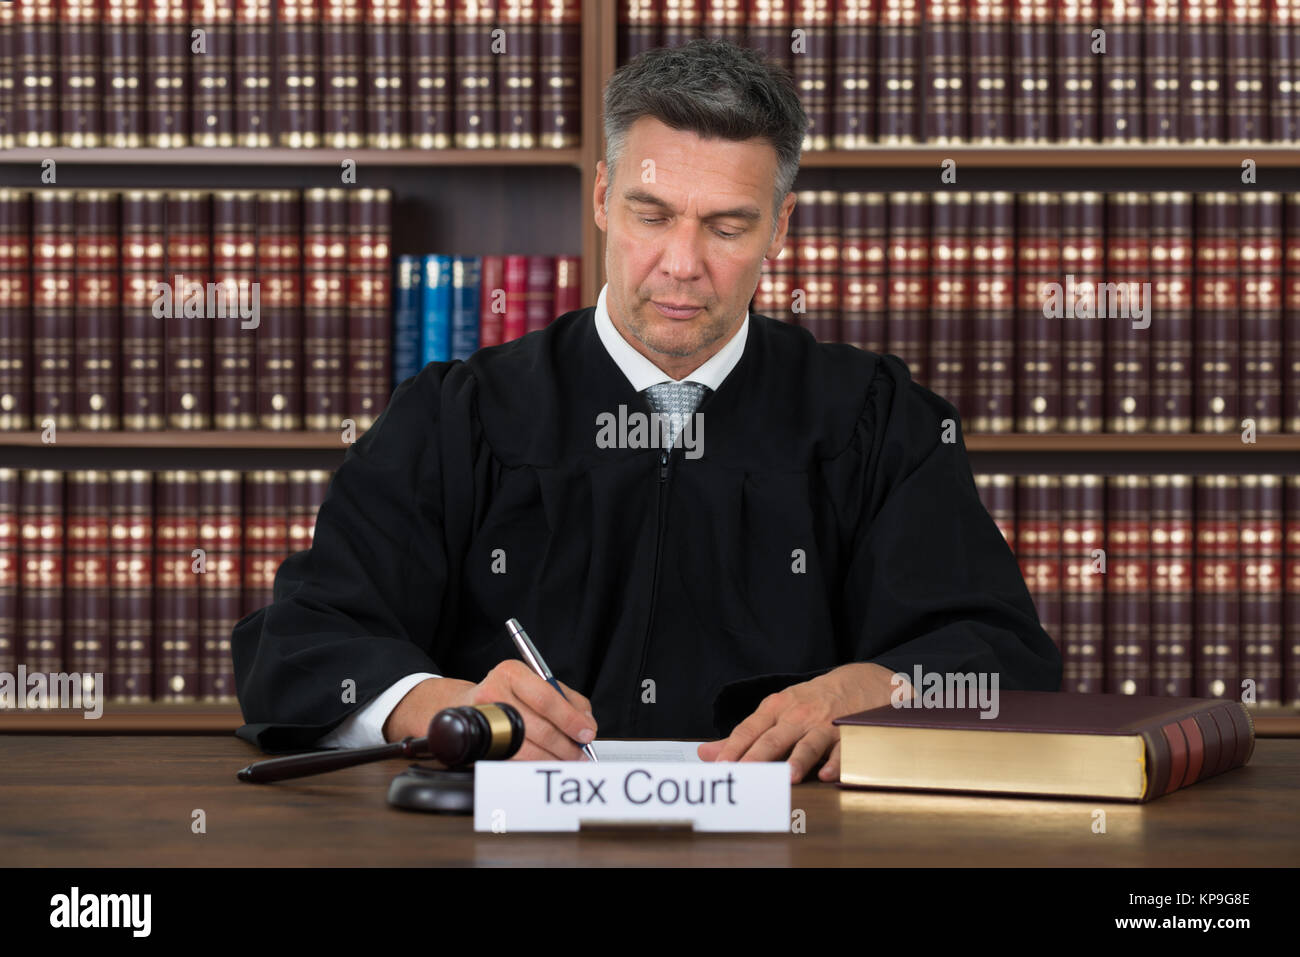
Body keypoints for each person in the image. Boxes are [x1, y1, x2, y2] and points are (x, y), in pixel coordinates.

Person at [232, 39, 1061, 784]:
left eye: (728, 226)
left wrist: (872, 691)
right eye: (651, 214)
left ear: (780, 227)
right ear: (602, 196)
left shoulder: (874, 420)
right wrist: (447, 708)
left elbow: (1001, 654)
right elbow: (300, 642)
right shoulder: (462, 416)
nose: (682, 264)